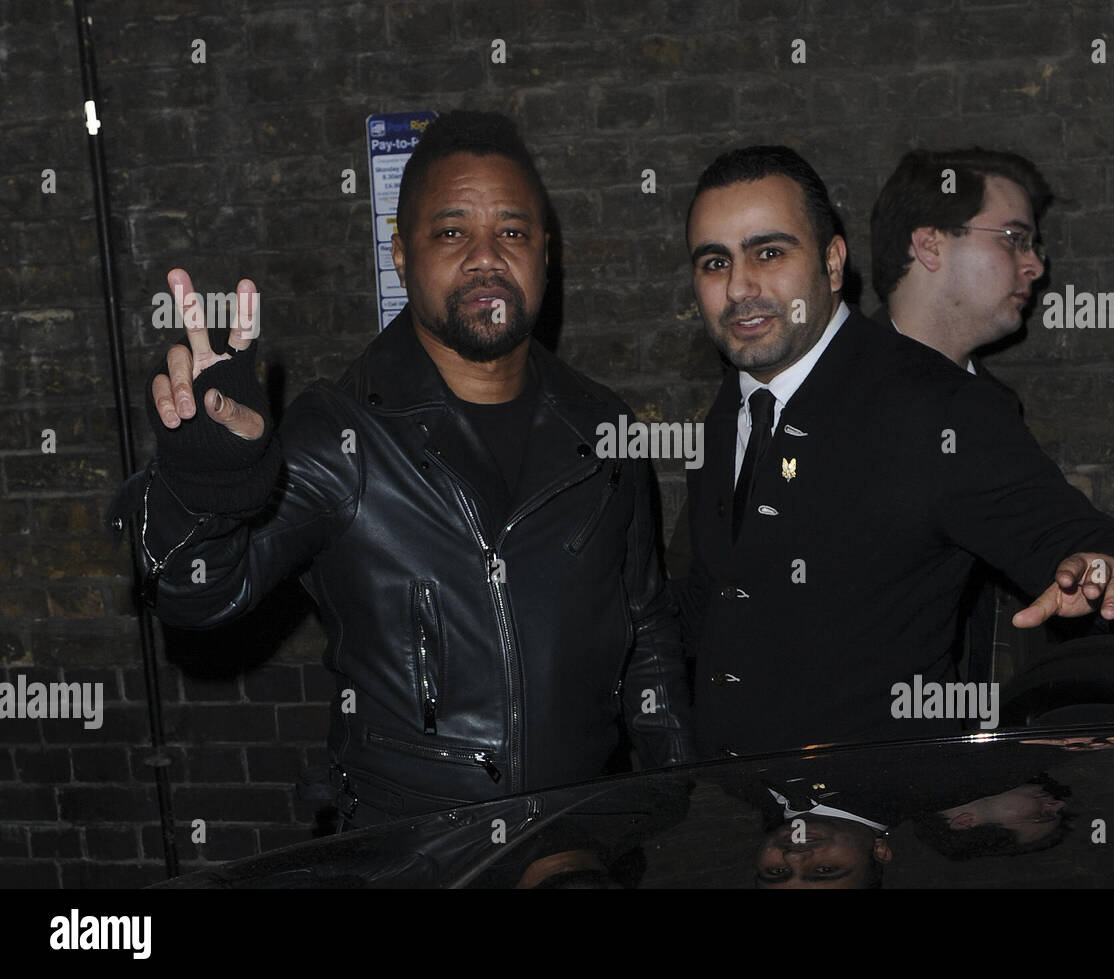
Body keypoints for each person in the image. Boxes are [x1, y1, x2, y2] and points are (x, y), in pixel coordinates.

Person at [109, 111, 693, 828]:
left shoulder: (606, 429)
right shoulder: (343, 430)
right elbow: (195, 595)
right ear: (399, 253)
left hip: (578, 849)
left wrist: (671, 801)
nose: (486, 256)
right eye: (451, 232)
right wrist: (205, 485)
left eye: (512, 231)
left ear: (547, 252)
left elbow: (649, 631)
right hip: (414, 849)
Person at [680, 144, 1114, 757]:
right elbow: (710, 601)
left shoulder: (934, 404)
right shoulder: (732, 407)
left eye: (769, 252)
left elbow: (1066, 532)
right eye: (714, 262)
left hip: (879, 817)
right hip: (735, 814)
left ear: (832, 263)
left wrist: (1103, 567)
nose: (740, 286)